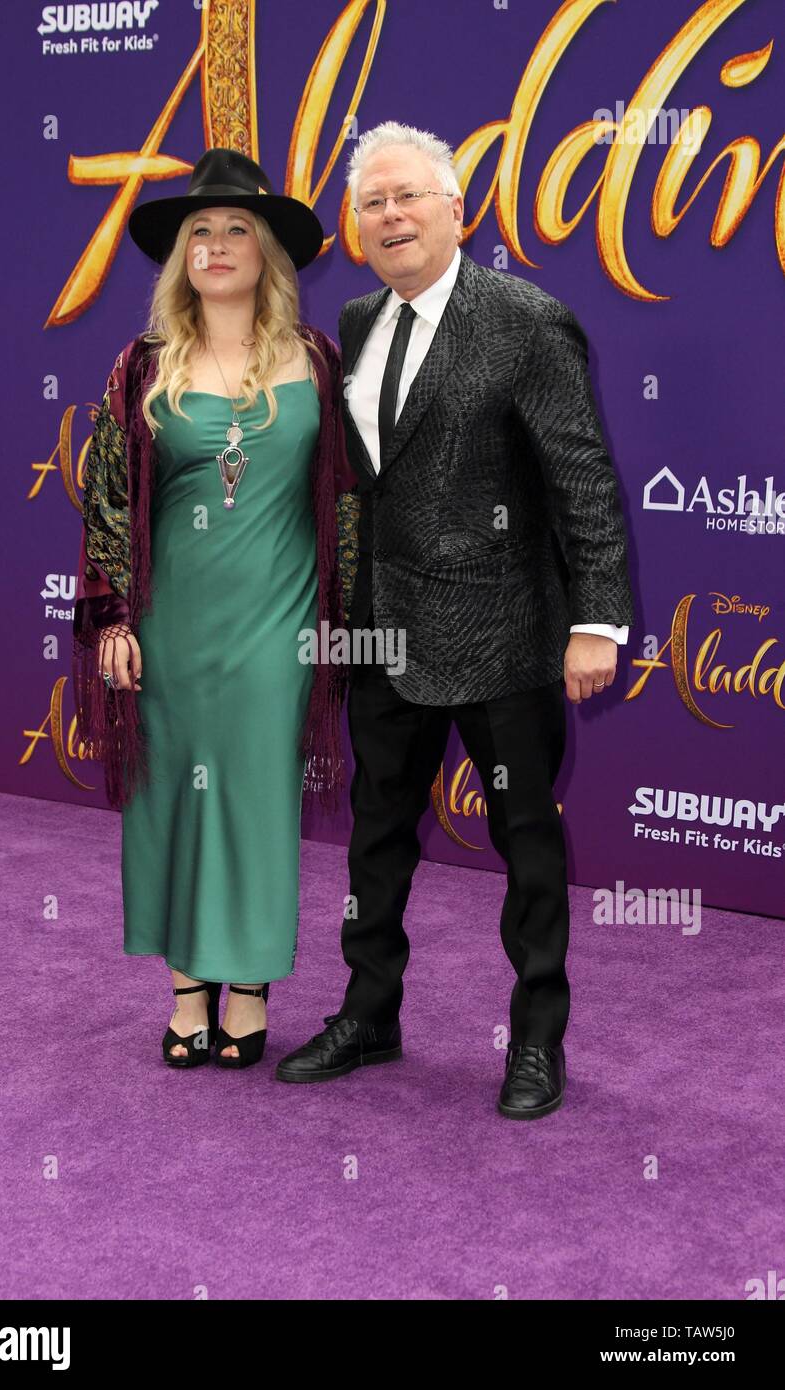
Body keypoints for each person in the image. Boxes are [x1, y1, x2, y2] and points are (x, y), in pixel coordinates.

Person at [275, 122, 635, 1119]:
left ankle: (533, 1040)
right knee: (375, 835)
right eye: (371, 205)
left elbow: (581, 479)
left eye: (406, 198)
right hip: (382, 631)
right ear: (356, 229)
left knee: (525, 840)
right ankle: (369, 1013)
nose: (389, 216)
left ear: (454, 211)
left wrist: (596, 620)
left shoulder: (526, 320)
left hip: (505, 637)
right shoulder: (352, 321)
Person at [72, 149, 357, 1071]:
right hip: (172, 628)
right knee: (170, 802)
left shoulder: (315, 361)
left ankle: (250, 987)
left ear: (269, 251)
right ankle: (187, 989)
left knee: (255, 799)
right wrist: (113, 618)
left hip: (280, 623)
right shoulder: (143, 364)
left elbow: (348, 499)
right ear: (180, 256)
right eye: (201, 231)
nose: (219, 244)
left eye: (238, 228)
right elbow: (110, 498)